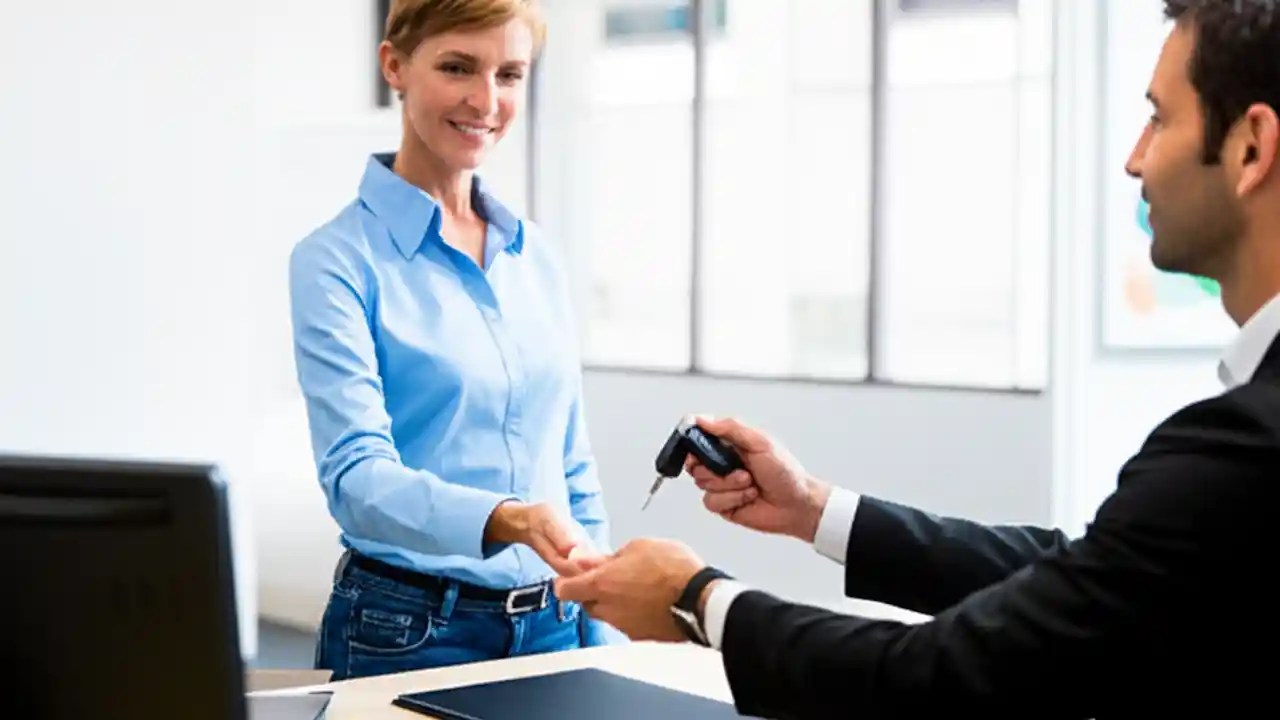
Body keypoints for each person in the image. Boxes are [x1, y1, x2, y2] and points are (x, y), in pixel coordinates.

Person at [556, 1, 1280, 717]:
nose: (1135, 157)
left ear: (1251, 148)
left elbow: (948, 671)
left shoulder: (1243, 442)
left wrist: (697, 600)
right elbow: (1088, 579)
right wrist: (813, 509)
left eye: (1159, 118)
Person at [288, 0, 621, 681]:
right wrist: (510, 519)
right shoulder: (336, 261)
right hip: (407, 633)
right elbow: (356, 480)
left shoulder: (536, 258)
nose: (486, 101)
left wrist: (605, 628)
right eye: (458, 68)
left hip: (556, 623)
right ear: (395, 67)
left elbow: (570, 463)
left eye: (510, 74)